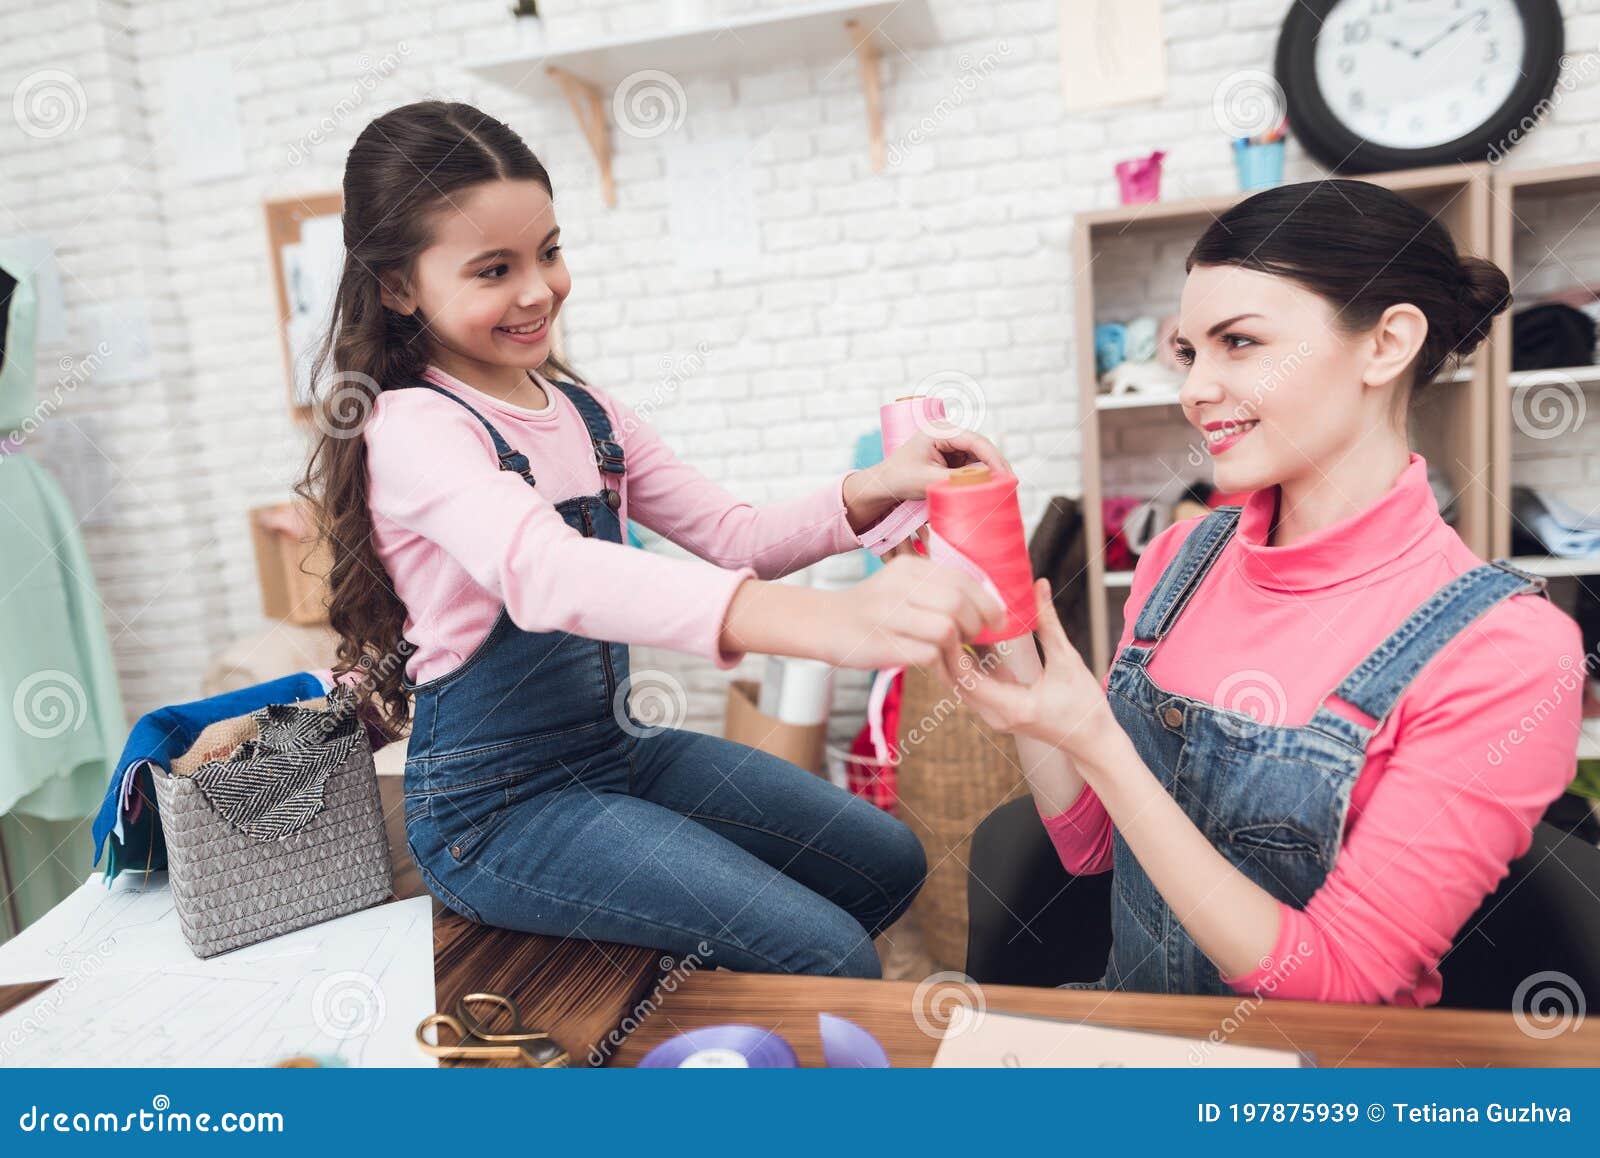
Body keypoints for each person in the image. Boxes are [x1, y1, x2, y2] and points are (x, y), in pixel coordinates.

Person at [297, 100, 1009, 978]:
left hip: (613, 752)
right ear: (400, 287)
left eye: (549, 252)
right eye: (493, 270)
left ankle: (700, 1000)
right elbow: (543, 570)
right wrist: (828, 624)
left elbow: (736, 534)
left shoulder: (589, 415)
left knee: (886, 862)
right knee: (836, 959)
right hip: (495, 808)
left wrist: (876, 485)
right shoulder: (412, 427)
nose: (537, 291)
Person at [951, 179, 1584, 1006]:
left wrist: (1102, 746)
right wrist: (999, 599)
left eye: (1239, 343)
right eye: (1187, 352)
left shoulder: (1506, 651)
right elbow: (1092, 850)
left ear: (1386, 343)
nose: (1192, 389)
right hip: (1149, 1046)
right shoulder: (1180, 559)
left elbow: (1344, 982)